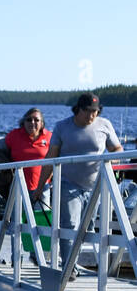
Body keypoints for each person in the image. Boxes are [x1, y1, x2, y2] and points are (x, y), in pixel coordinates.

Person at [43, 93, 122, 258]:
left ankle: (77, 262)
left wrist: (111, 159)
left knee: (88, 226)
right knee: (70, 225)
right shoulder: (62, 127)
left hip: (95, 186)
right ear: (78, 109)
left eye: (95, 111)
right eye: (87, 111)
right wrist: (40, 186)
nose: (91, 115)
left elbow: (117, 149)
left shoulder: (104, 125)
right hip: (68, 183)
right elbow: (51, 157)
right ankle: (68, 268)